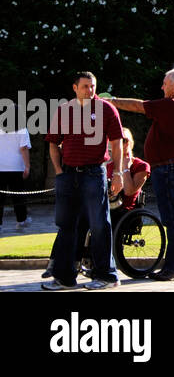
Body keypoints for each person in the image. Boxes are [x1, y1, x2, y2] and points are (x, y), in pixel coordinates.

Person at [110, 67, 174, 280]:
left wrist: (113, 101)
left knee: (172, 219)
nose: (162, 86)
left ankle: (173, 268)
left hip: (168, 168)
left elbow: (139, 106)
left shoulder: (173, 104)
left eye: (165, 83)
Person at [43, 72, 124, 291]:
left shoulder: (107, 110)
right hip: (68, 175)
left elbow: (117, 144)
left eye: (93, 86)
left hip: (94, 174)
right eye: (85, 86)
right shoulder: (64, 110)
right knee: (66, 226)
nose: (90, 90)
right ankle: (64, 278)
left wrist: (117, 173)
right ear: (75, 88)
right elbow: (52, 142)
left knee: (99, 225)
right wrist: (59, 171)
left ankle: (107, 276)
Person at [73, 127, 151, 271]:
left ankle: (101, 266)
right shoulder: (108, 165)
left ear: (131, 143)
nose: (122, 144)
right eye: (118, 141)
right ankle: (76, 260)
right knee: (79, 218)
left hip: (125, 211)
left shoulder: (141, 166)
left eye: (125, 140)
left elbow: (129, 190)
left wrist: (125, 168)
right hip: (107, 205)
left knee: (99, 221)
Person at [0, 126, 31, 231]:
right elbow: (24, 148)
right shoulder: (22, 129)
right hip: (16, 167)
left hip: (0, 167)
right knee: (18, 195)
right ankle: (21, 220)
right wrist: (27, 166)